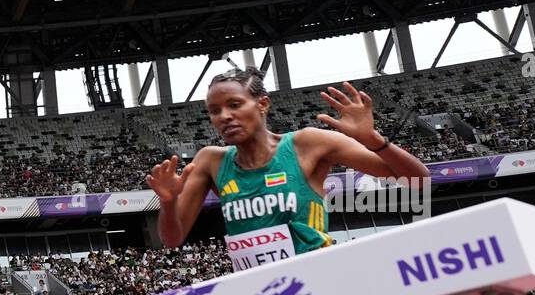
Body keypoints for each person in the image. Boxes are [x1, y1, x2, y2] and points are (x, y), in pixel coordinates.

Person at [150, 68, 429, 272]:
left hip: (319, 275)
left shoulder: (308, 144)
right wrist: (168, 201)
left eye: (234, 105)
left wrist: (373, 140)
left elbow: (419, 180)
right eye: (214, 111)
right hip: (256, 289)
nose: (224, 116)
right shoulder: (210, 160)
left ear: (262, 104)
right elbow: (172, 239)